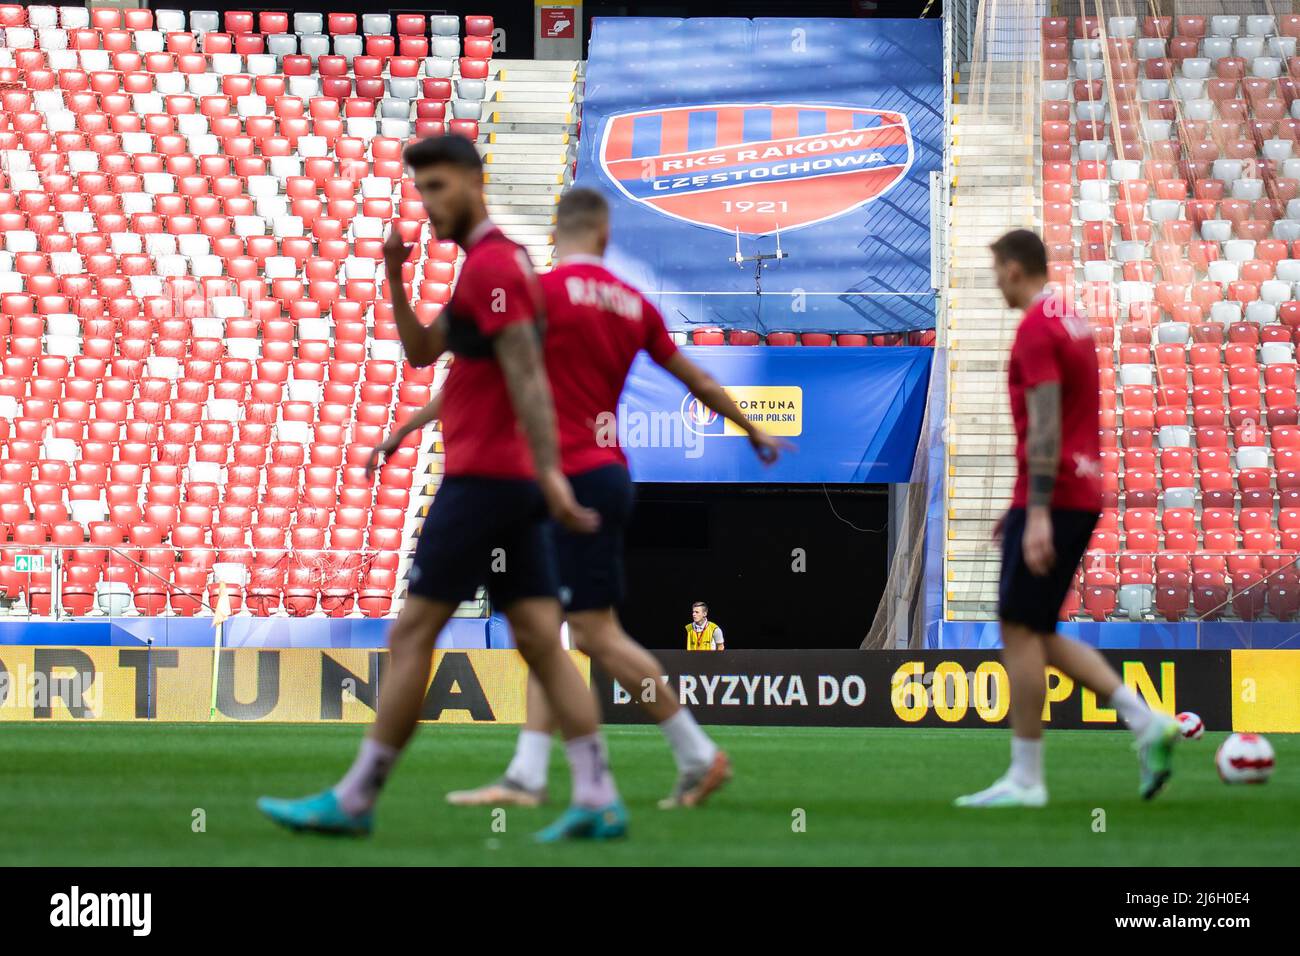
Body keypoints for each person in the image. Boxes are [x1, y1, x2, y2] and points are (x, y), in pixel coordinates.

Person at [258, 135, 629, 842]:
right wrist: (396, 278)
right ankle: (598, 795)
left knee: (411, 634)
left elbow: (526, 373)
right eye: (420, 189)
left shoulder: (494, 266)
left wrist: (552, 472)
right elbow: (425, 353)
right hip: (508, 482)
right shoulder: (486, 269)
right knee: (541, 644)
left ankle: (358, 797)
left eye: (436, 188)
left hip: (486, 482)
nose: (426, 204)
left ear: (470, 181)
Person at [369, 187, 788, 808]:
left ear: (555, 235)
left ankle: (693, 755)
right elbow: (696, 378)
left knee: (587, 633)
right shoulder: (631, 303)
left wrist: (408, 423)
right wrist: (752, 427)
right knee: (551, 632)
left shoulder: (539, 295)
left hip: (559, 479)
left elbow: (478, 381)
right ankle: (530, 775)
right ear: (604, 232)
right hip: (611, 471)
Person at [955, 229, 1180, 809]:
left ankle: (1027, 780)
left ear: (1011, 267)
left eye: (996, 268)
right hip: (1075, 492)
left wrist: (1034, 514)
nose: (995, 281)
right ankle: (1144, 720)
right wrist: (1022, 508)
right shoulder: (1070, 317)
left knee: (1017, 629)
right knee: (1040, 631)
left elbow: (1048, 422)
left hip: (1055, 499)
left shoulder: (1036, 327)